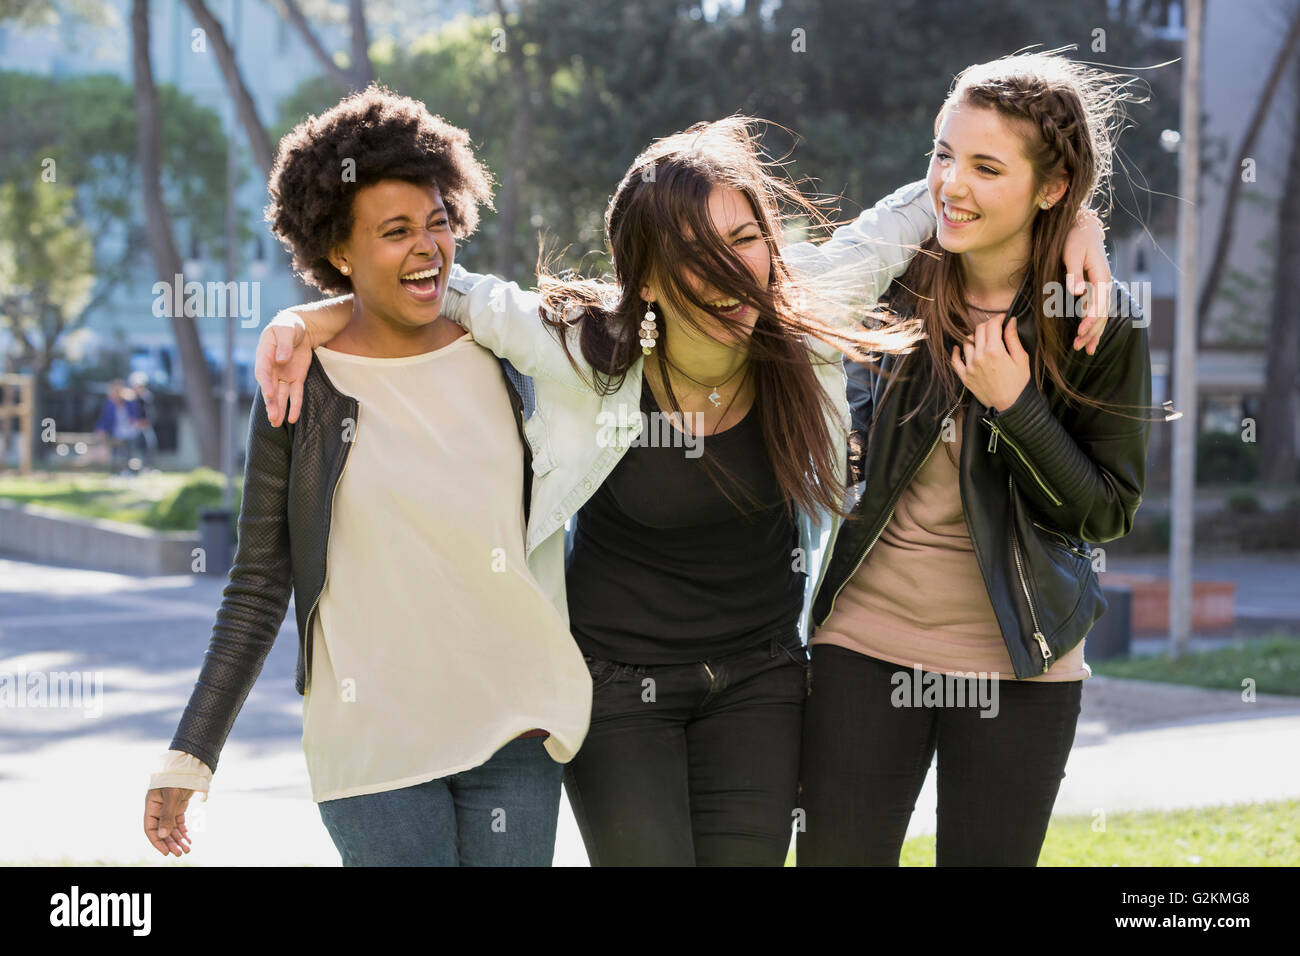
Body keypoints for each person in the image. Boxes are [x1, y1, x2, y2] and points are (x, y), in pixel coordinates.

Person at [257, 116, 1111, 865]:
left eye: (745, 241)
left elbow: (927, 204)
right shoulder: (587, 350)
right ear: (648, 278)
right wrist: (303, 318)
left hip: (762, 677)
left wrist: (1075, 215)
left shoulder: (797, 309)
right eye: (694, 256)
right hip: (619, 685)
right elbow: (455, 291)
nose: (734, 273)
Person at [142, 86, 590, 867]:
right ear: (340, 253)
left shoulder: (507, 357)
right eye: (395, 232)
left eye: (438, 222)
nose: (428, 247)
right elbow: (257, 581)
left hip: (512, 727)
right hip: (373, 739)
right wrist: (192, 752)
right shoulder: (300, 387)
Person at [797, 51, 1154, 866]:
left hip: (1021, 661)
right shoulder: (893, 287)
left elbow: (1106, 512)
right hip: (864, 644)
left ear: (1051, 185)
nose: (951, 183)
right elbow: (804, 292)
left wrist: (1017, 407)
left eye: (987, 166)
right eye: (942, 154)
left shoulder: (1099, 320)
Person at [93, 379, 146, 474]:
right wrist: (100, 430)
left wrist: (136, 424)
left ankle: (130, 471)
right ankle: (115, 472)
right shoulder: (109, 405)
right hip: (116, 432)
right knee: (115, 451)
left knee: (131, 450)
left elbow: (136, 417)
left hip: (130, 432)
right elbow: (103, 419)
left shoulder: (130, 403)